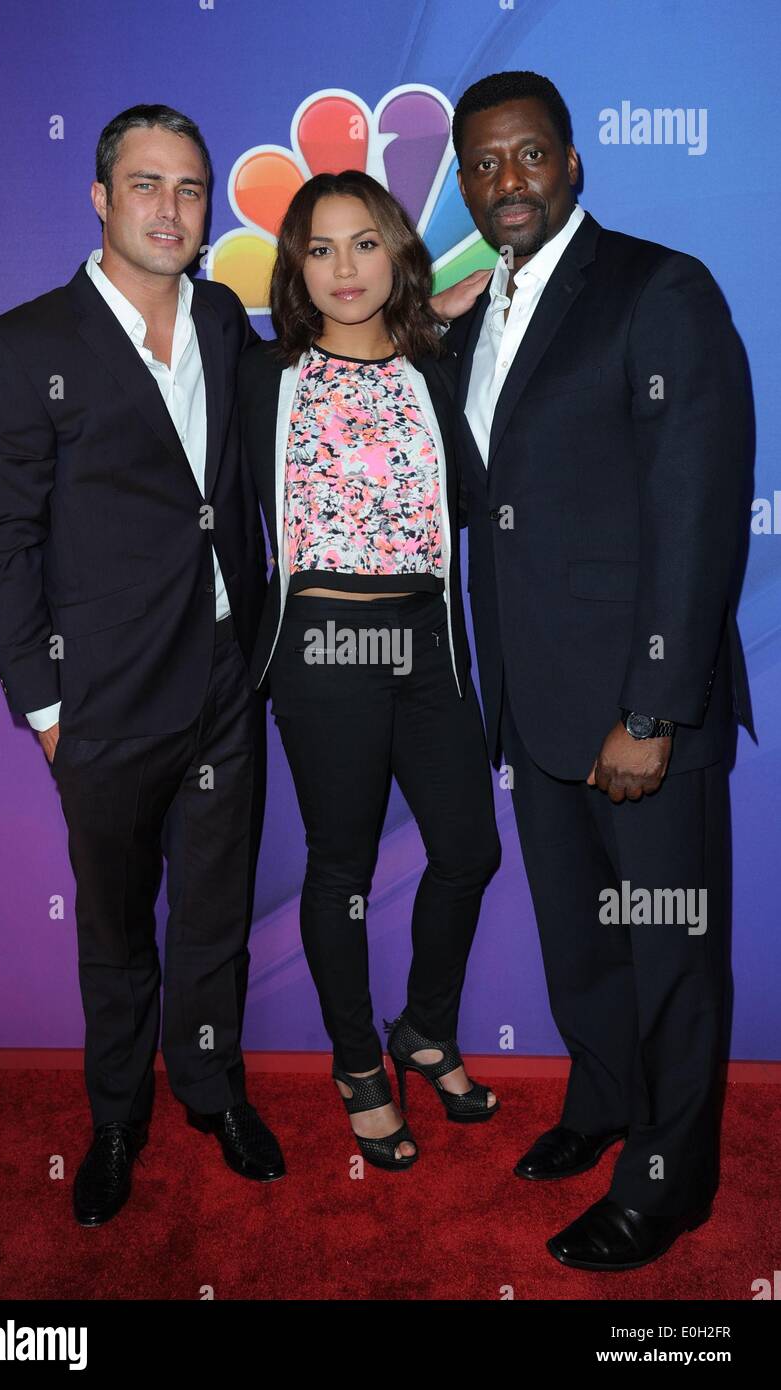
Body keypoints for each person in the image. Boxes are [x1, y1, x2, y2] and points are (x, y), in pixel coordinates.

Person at [443, 70, 755, 1267]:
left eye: (526, 156)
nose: (504, 180)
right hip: (530, 701)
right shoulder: (480, 312)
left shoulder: (655, 287)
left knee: (668, 948)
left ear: (573, 163)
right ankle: (602, 1102)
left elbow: (697, 510)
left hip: (638, 711)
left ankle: (667, 1180)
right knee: (581, 938)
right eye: (481, 163)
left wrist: (652, 706)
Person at [0, 104, 286, 1226]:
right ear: (100, 198)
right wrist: (46, 705)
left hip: (223, 681)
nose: (170, 207)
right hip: (99, 696)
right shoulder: (24, 345)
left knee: (211, 912)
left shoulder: (223, 320)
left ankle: (209, 1087)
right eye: (145, 185)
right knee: (113, 929)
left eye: (190, 188)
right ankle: (115, 1119)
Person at [237, 170, 502, 1170]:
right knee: (339, 867)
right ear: (296, 269)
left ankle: (422, 1028)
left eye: (363, 243)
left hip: (424, 647)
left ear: (395, 251)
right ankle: (356, 1064)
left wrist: (438, 313)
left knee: (468, 849)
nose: (343, 268)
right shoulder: (266, 376)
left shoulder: (435, 372)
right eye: (319, 248)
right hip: (320, 652)